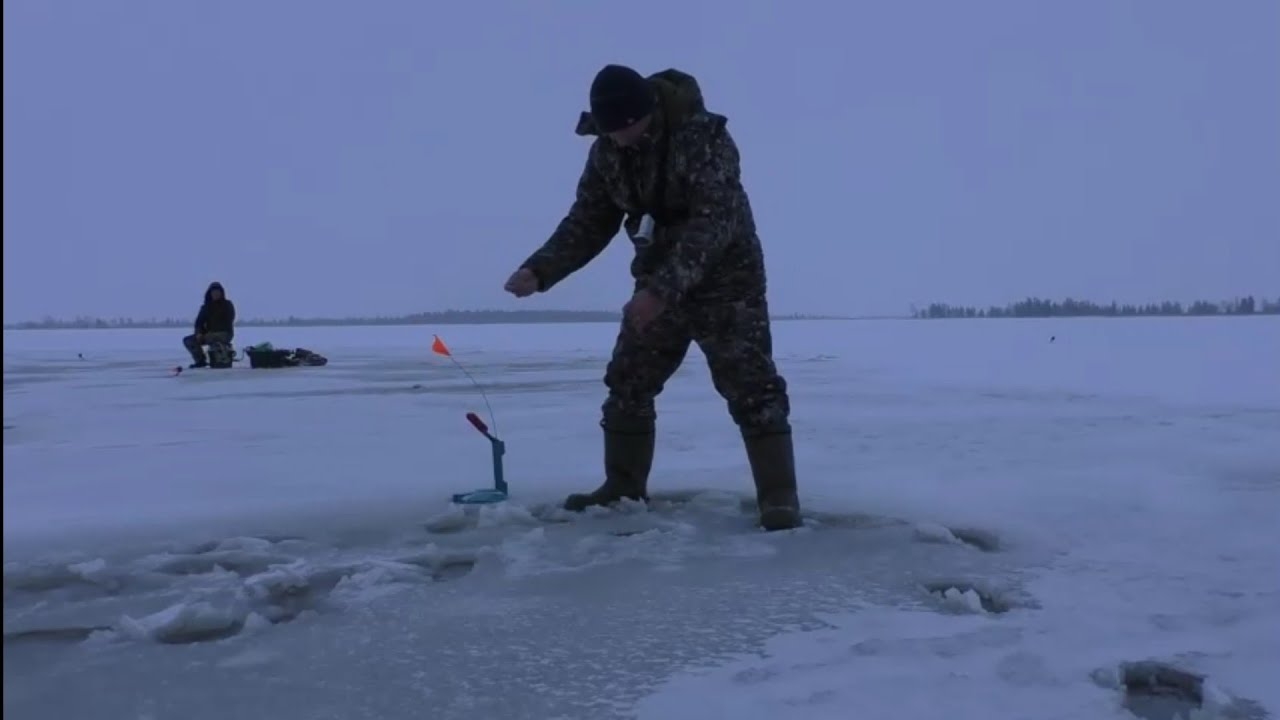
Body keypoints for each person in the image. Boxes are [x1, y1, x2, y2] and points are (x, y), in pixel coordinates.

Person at [503, 64, 801, 531]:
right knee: (628, 379)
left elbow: (714, 224)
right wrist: (540, 270)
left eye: (625, 128)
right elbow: (588, 221)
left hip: (727, 280)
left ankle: (779, 499)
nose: (619, 139)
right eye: (609, 131)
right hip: (657, 280)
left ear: (647, 113)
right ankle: (623, 487)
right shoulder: (607, 151)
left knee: (752, 386)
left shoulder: (704, 138)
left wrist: (662, 291)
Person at [183, 281, 236, 368]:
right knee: (188, 340)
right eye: (213, 292)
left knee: (212, 337)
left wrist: (211, 333)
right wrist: (199, 333)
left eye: (218, 292)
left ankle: (221, 358)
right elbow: (198, 322)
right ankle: (200, 361)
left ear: (221, 293)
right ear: (210, 294)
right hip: (208, 335)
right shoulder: (205, 307)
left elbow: (229, 319)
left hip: (225, 333)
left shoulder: (227, 305)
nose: (216, 294)